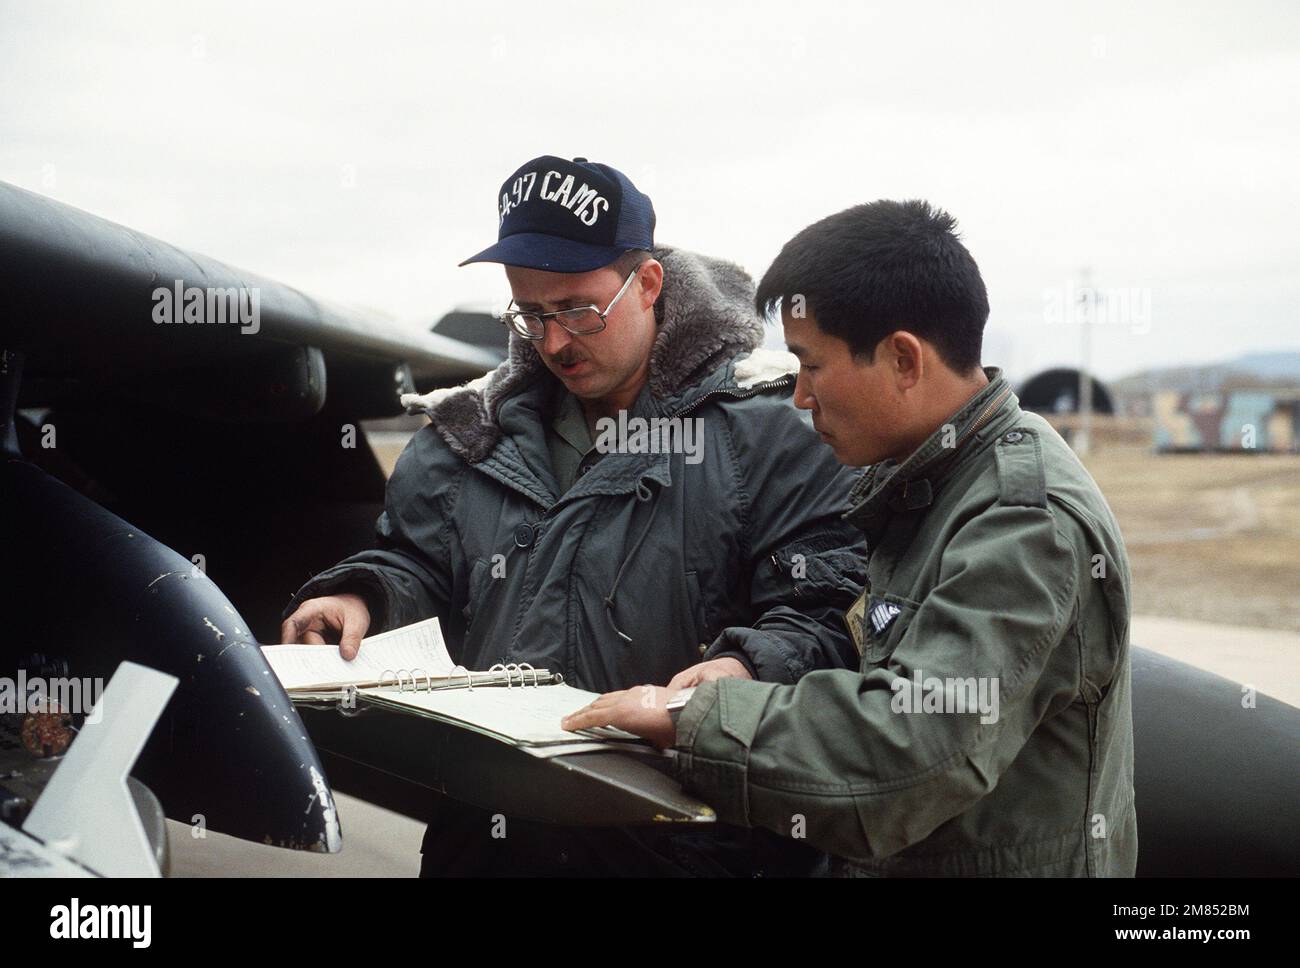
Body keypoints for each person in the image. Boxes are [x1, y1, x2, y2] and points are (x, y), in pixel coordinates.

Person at [280, 155, 866, 876]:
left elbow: (825, 610)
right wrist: (361, 595)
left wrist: (743, 669)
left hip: (693, 851)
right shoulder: (469, 431)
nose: (553, 341)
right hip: (486, 845)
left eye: (578, 310)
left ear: (648, 284)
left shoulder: (772, 434)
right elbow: (416, 562)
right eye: (530, 312)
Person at [564, 199, 1138, 877]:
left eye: (812, 366)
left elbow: (906, 751)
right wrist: (749, 664)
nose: (801, 398)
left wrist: (693, 718)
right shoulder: (931, 484)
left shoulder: (1023, 520)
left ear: (902, 359)